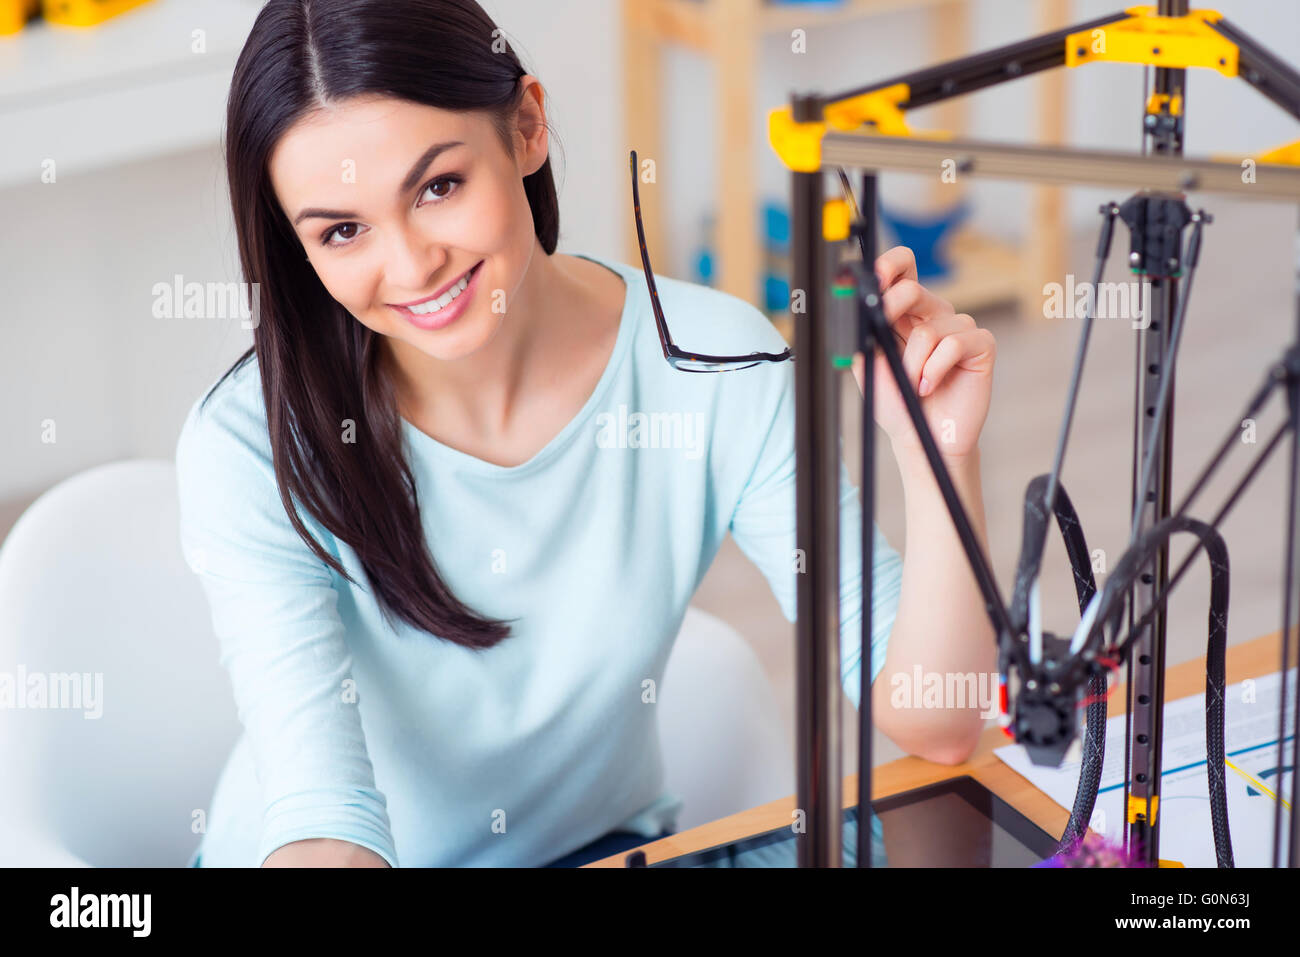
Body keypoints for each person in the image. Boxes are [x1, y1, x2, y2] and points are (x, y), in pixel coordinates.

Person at [176, 0, 998, 868]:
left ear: (526, 127)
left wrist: (939, 454)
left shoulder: (717, 365)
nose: (413, 266)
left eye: (439, 186)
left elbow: (938, 724)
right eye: (343, 231)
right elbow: (326, 817)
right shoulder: (253, 443)